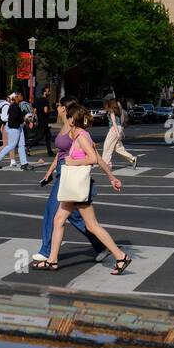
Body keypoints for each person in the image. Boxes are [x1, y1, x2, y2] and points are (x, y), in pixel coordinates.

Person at [38, 100, 129, 274]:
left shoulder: (81, 136)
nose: (67, 118)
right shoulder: (76, 134)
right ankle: (52, 260)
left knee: (92, 226)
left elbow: (94, 159)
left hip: (78, 187)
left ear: (74, 119)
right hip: (72, 186)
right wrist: (112, 177)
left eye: (69, 116)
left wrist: (73, 161)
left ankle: (120, 256)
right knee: (59, 220)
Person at [32, 96, 107, 267]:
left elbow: (91, 152)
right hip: (61, 171)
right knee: (73, 215)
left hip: (71, 172)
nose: (56, 107)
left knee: (52, 209)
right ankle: (101, 245)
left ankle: (46, 251)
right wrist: (49, 172)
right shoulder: (65, 124)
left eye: (58, 105)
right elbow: (60, 152)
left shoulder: (75, 127)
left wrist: (110, 175)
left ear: (64, 108)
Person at [102, 95, 138, 168]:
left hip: (114, 129)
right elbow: (119, 121)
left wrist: (118, 133)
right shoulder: (116, 109)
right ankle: (132, 159)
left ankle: (106, 164)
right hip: (118, 128)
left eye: (105, 102)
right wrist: (121, 131)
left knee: (107, 146)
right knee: (118, 148)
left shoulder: (111, 110)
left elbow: (114, 122)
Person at [36, 89, 56, 156]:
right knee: (40, 136)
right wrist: (50, 111)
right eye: (48, 91)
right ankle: (28, 147)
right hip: (44, 121)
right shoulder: (45, 100)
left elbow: (34, 110)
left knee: (48, 137)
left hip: (40, 120)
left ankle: (50, 152)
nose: (49, 93)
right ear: (44, 92)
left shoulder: (38, 100)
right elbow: (45, 111)